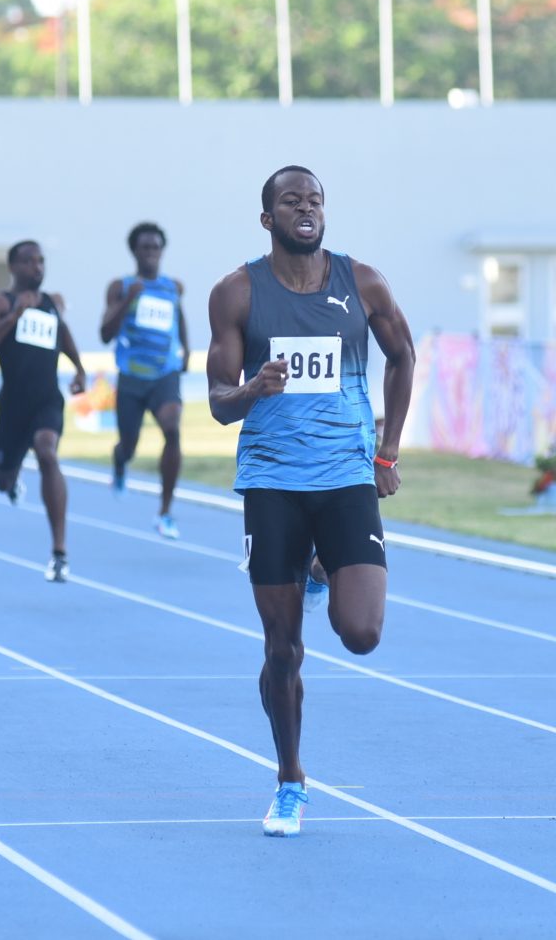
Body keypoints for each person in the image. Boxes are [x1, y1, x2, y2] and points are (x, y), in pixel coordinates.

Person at [206, 166, 415, 837]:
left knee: (362, 633)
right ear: (267, 219)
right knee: (282, 650)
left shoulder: (364, 282)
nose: (306, 208)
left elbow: (403, 356)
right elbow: (218, 402)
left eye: (315, 200)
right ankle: (290, 780)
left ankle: (322, 566)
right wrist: (252, 390)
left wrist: (386, 452)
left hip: (346, 478)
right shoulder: (237, 292)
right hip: (272, 483)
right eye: (291, 200)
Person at [0, 240, 87, 582]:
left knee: (47, 452)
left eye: (41, 261)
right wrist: (13, 317)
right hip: (13, 407)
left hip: (47, 399)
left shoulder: (53, 303)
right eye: (29, 261)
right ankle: (12, 479)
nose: (37, 267)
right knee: (2, 480)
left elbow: (62, 333)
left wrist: (79, 368)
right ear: (13, 267)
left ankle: (59, 553)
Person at [100, 222, 190, 539]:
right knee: (129, 445)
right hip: (132, 376)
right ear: (135, 252)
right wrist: (128, 300)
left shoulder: (173, 287)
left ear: (162, 251)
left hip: (165, 374)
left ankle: (165, 512)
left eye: (156, 247)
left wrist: (186, 351)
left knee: (172, 430)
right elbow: (105, 333)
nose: (151, 253)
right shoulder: (120, 286)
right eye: (145, 248)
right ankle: (120, 460)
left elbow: (178, 318)